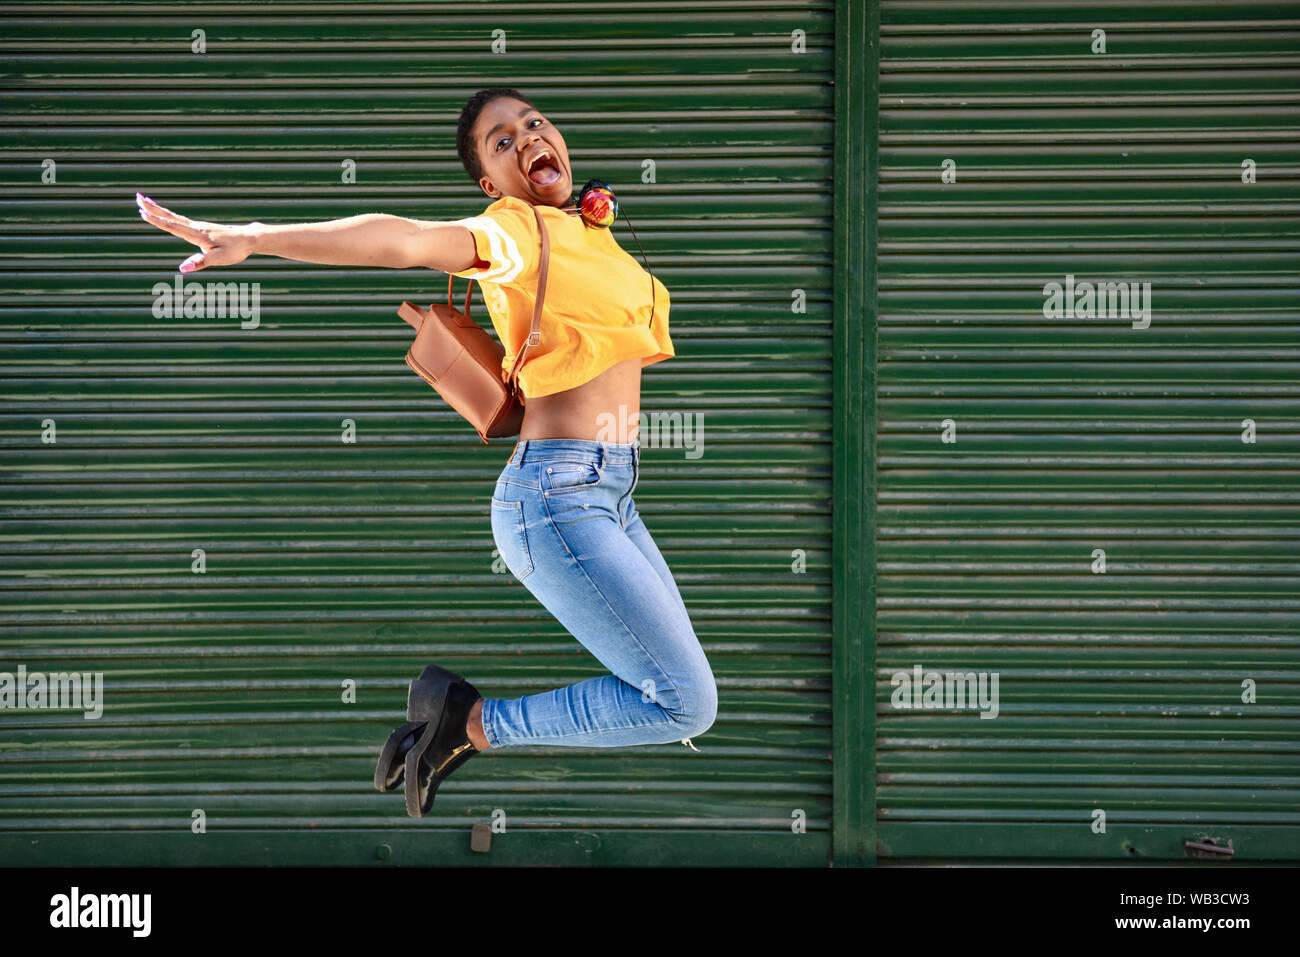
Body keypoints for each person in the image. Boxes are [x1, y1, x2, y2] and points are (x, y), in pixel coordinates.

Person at [135, 87, 718, 818]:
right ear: (489, 182)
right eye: (501, 142)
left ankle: (458, 718)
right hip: (557, 498)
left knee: (681, 690)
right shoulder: (511, 233)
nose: (526, 137)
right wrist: (258, 235)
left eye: (533, 123)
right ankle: (470, 723)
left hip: (613, 491)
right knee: (684, 700)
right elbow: (404, 239)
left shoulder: (587, 234)